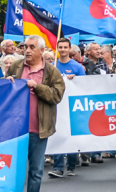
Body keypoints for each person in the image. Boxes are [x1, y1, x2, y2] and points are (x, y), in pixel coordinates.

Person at [4, 35, 65, 192]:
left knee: (36, 171)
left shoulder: (52, 71)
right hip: (15, 129)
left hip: (38, 129)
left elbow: (57, 95)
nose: (27, 50)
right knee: (12, 169)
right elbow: (4, 91)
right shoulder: (16, 67)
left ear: (42, 50)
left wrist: (37, 87)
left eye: (32, 47)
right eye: (26, 47)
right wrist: (7, 83)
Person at [48, 38, 85, 178]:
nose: (63, 49)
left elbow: (85, 86)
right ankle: (57, 167)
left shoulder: (77, 67)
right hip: (56, 106)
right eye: (60, 47)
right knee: (58, 135)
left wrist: (76, 80)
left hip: (72, 107)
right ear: (57, 49)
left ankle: (71, 165)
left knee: (71, 135)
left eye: (65, 47)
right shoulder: (51, 67)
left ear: (70, 49)